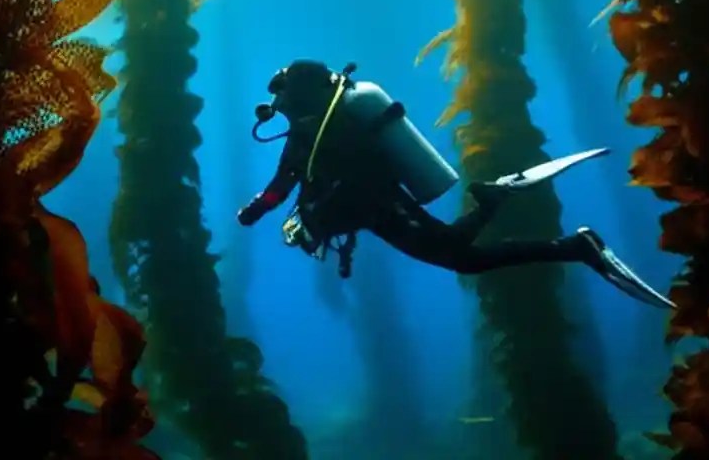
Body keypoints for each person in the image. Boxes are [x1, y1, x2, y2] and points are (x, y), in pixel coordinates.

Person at [237, 59, 673, 309]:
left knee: (461, 256)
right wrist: (258, 208)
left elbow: (309, 181)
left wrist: (271, 208)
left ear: (301, 94)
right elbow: (283, 182)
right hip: (376, 215)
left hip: (384, 209)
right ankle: (543, 227)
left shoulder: (336, 129)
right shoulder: (304, 136)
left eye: (284, 96)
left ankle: (564, 239)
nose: (278, 105)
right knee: (460, 254)